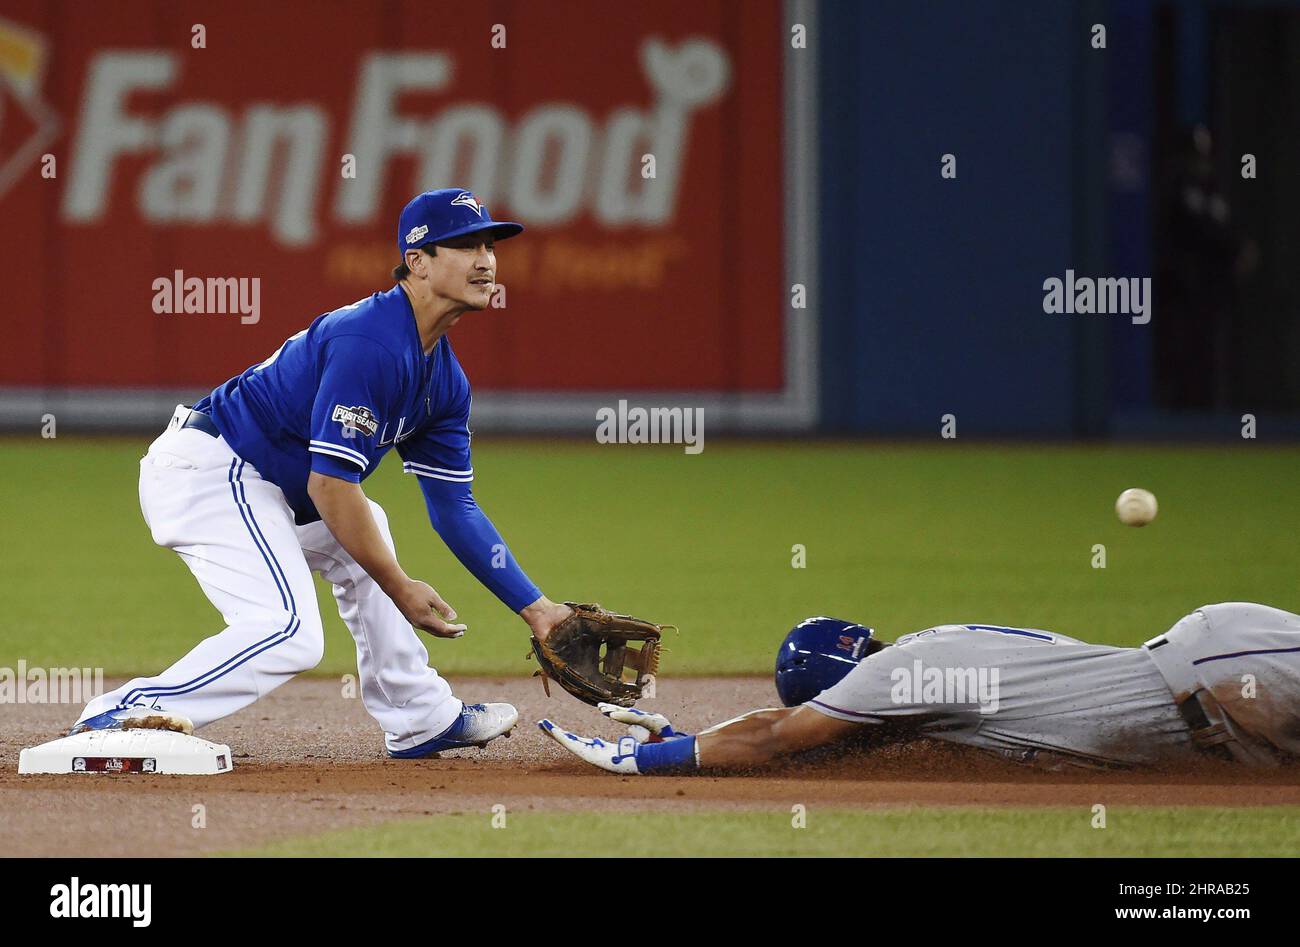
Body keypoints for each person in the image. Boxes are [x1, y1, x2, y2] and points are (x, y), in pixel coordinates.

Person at [72, 188, 578, 758]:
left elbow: (454, 507)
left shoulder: (444, 381)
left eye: (490, 244)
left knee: (370, 529)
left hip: (265, 488)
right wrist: (398, 584)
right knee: (289, 630)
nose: (485, 259)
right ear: (417, 261)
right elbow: (330, 485)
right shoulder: (371, 341)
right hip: (212, 471)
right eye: (463, 245)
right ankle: (122, 715)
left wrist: (539, 611)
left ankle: (420, 717)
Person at [540, 604, 1300, 773]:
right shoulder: (932, 675)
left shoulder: (895, 674)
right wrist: (678, 733)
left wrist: (650, 760)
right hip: (1222, 700)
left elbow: (780, 734)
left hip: (1226, 669)